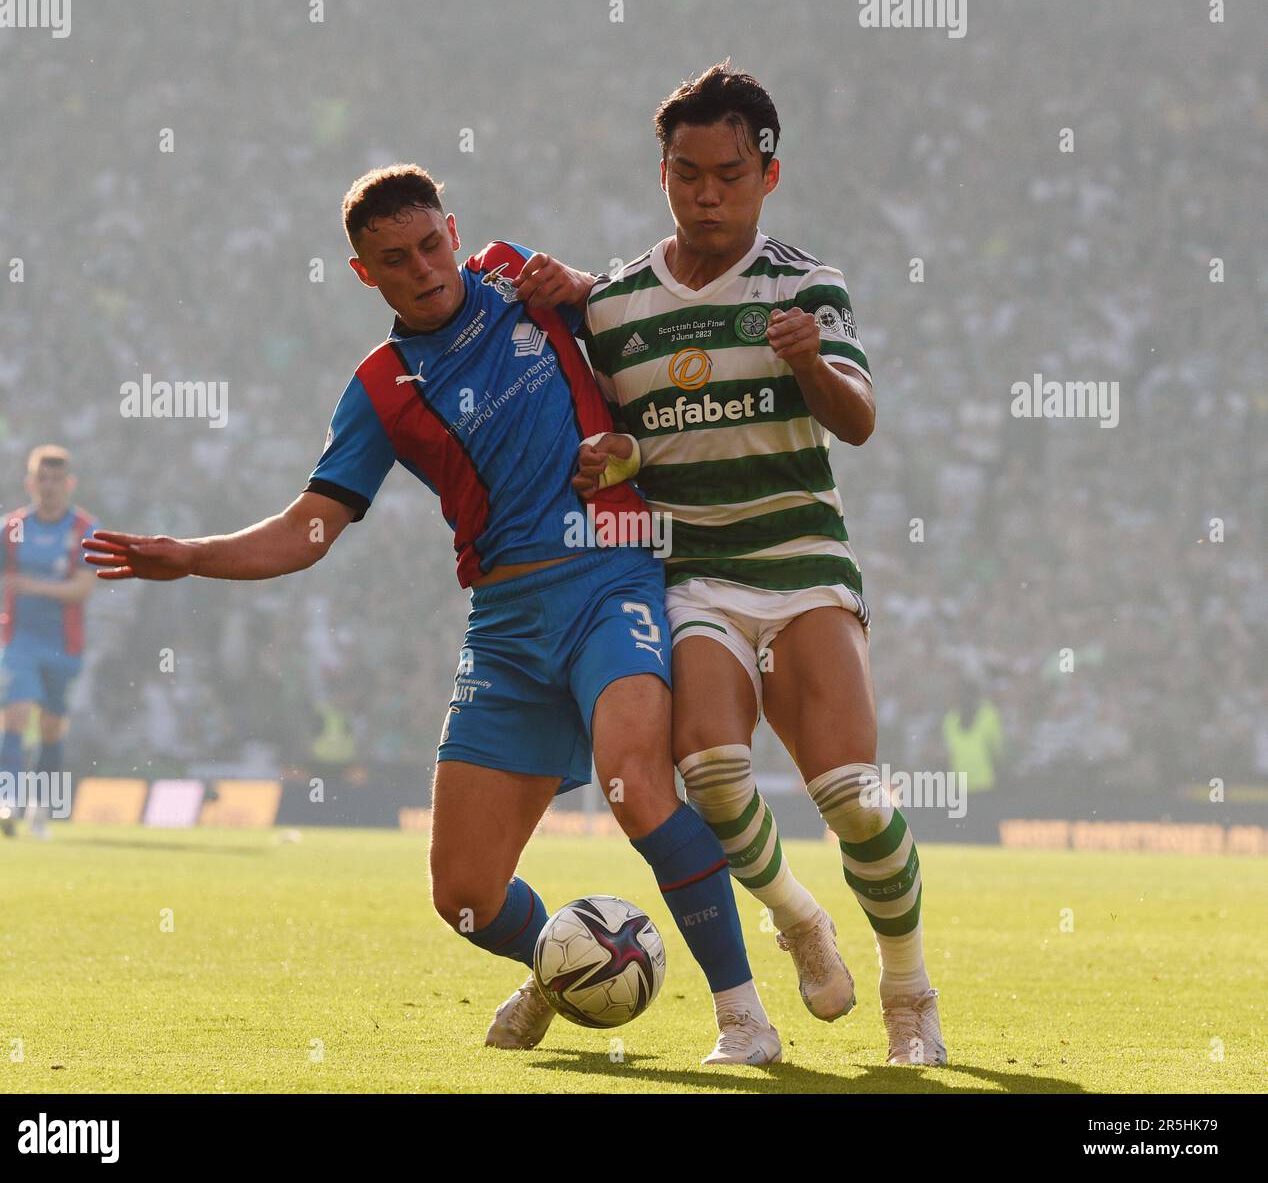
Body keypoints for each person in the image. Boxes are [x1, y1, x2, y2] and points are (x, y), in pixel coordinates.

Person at [83, 164, 782, 1066]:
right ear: (363, 274)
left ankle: (743, 1018)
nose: (423, 268)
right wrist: (191, 556)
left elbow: (643, 342)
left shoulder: (521, 279)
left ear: (454, 231)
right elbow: (309, 530)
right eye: (395, 259)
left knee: (637, 785)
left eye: (430, 245)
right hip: (505, 622)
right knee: (463, 893)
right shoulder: (378, 388)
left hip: (610, 578)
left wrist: (601, 341)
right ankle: (561, 964)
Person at [573, 64, 947, 1065]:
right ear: (662, 172)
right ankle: (797, 917)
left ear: (767, 175)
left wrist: (809, 362)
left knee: (854, 798)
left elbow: (858, 423)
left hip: (800, 557)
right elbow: (625, 440)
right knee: (710, 768)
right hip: (691, 567)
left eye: (729, 175)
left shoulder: (805, 283)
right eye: (686, 174)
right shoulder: (613, 306)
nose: (706, 195)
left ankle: (908, 989)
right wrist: (609, 456)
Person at [0, 445, 98, 838]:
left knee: (52, 727)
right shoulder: (10, 528)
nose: (49, 487)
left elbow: (83, 589)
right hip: (17, 639)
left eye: (56, 480)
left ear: (69, 484)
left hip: (64, 644)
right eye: (42, 479)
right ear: (30, 483)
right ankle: (8, 801)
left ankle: (40, 806)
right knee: (15, 715)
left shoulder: (84, 530)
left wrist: (32, 586)